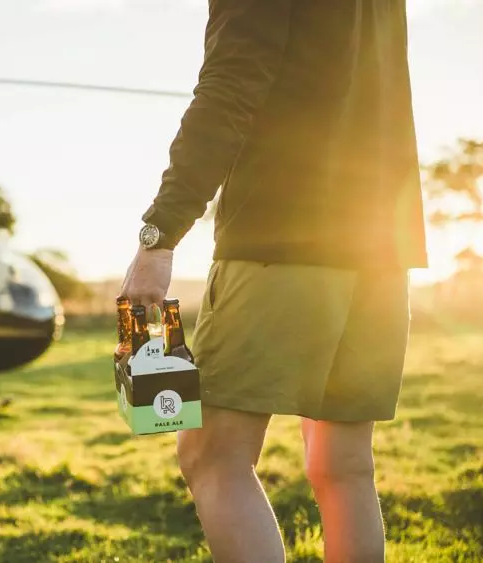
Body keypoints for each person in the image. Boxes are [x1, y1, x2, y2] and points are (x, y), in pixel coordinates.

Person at [119, 1, 427, 561]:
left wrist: (159, 233)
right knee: (344, 467)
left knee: (214, 455)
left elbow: (230, 87)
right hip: (381, 246)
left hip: (282, 236)